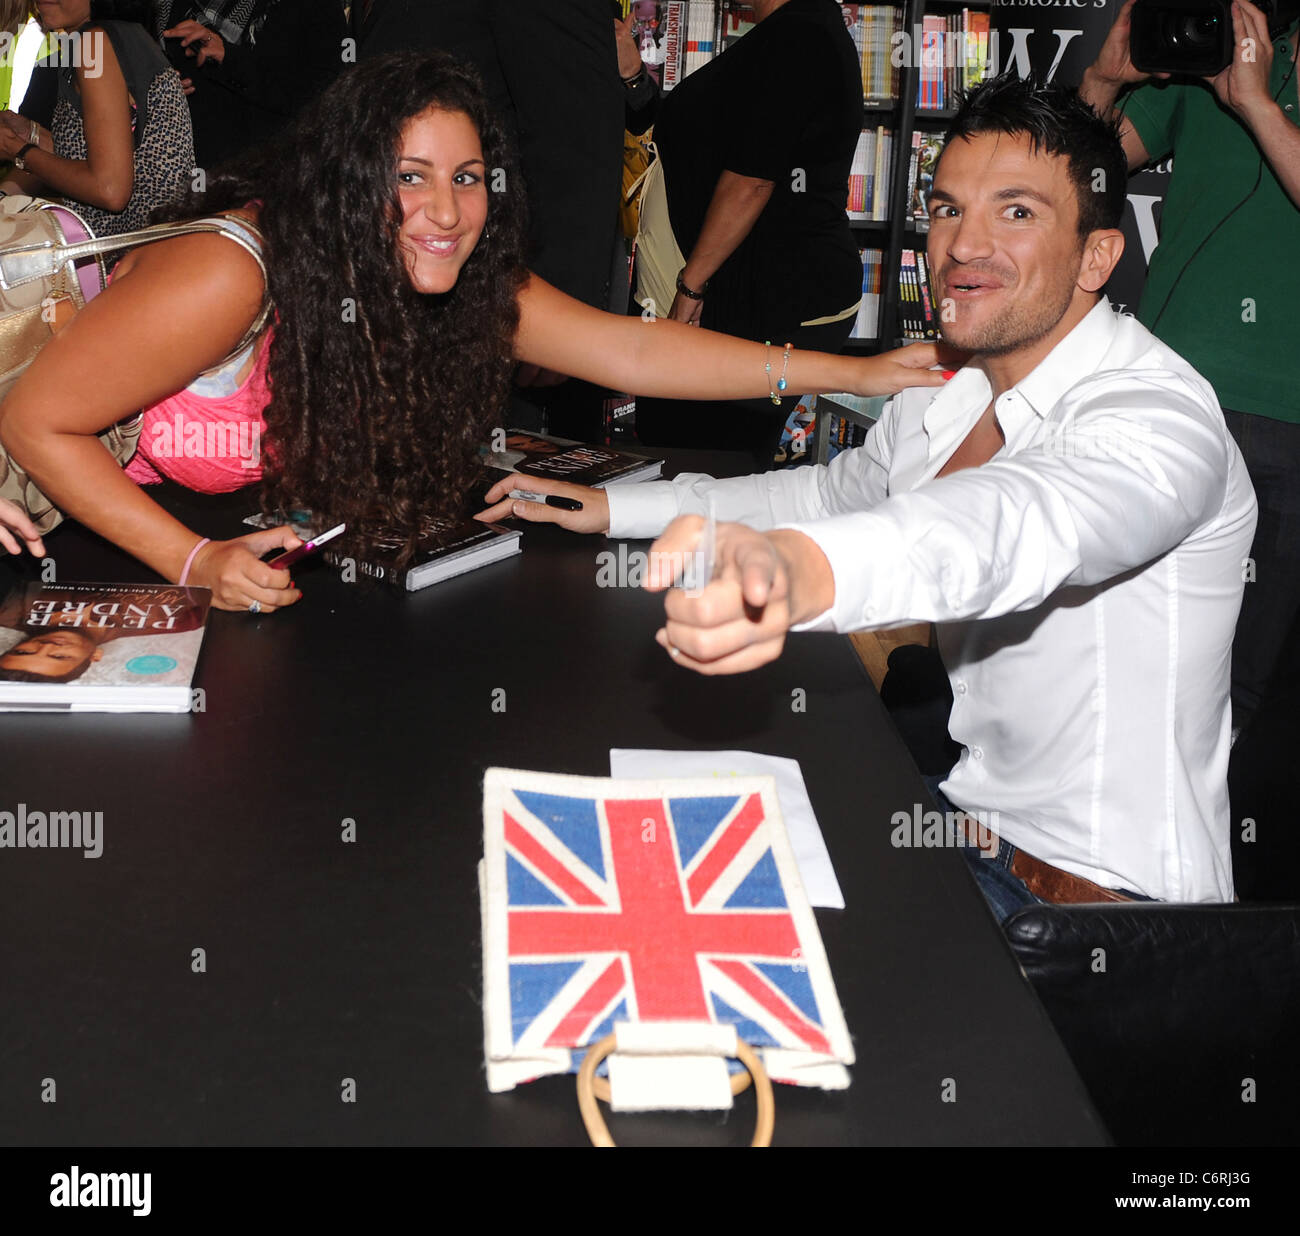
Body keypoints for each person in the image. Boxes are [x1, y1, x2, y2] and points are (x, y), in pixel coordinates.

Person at [479, 74, 1260, 919]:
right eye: (949, 208)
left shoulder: (1160, 413)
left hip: (1100, 908)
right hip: (966, 829)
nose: (963, 245)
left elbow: (1028, 522)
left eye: (1018, 212)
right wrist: (616, 510)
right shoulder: (946, 392)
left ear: (1098, 257)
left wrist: (804, 575)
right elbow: (824, 494)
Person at [0, 50, 946, 615]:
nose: (446, 211)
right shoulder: (236, 271)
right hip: (48, 522)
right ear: (347, 181)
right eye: (408, 176)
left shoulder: (442, 268)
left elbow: (631, 350)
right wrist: (196, 562)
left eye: (466, 177)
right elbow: (38, 422)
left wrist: (851, 371)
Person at [1078, 0, 1300, 736]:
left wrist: (1259, 104)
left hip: (1290, 427)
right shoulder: (1209, 47)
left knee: (1237, 689)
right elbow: (1075, 177)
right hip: (1173, 396)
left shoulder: (1247, 74)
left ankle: (1205, 844)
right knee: (1118, 641)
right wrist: (1105, 82)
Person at [620, 0, 864, 461]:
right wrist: (634, 75)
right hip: (737, 299)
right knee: (689, 457)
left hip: (758, 301)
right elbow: (695, 148)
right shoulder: (787, 33)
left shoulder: (800, 34)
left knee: (699, 462)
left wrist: (691, 286)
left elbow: (752, 180)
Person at [0, 0, 194, 241]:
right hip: (153, 247)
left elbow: (110, 189)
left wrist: (17, 150)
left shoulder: (94, 43)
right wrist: (33, 134)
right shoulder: (116, 36)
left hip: (131, 252)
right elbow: (125, 160)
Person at [156, 1, 348, 169]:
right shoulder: (163, 6)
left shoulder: (315, 7)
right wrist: (162, 83)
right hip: (170, 154)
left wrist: (228, 57)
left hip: (253, 170)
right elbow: (141, 57)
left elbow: (319, 95)